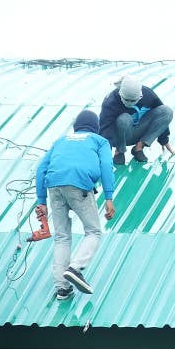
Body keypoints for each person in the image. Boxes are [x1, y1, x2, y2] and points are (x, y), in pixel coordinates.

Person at [35, 109, 116, 300]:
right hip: (79, 185)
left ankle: (62, 288)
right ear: (96, 128)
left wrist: (41, 201)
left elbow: (41, 168)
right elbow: (106, 166)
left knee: (62, 237)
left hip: (54, 185)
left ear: (75, 127)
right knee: (93, 231)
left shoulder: (61, 140)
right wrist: (109, 197)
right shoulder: (100, 141)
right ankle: (75, 267)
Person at [99, 75, 175, 165]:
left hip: (138, 132)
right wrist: (104, 156)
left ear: (140, 95)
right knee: (124, 118)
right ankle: (119, 151)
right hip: (119, 135)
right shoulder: (111, 101)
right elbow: (105, 130)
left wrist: (164, 139)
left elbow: (161, 115)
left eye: (133, 100)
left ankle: (138, 148)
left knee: (167, 111)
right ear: (120, 93)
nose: (129, 103)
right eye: (127, 99)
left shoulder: (148, 94)